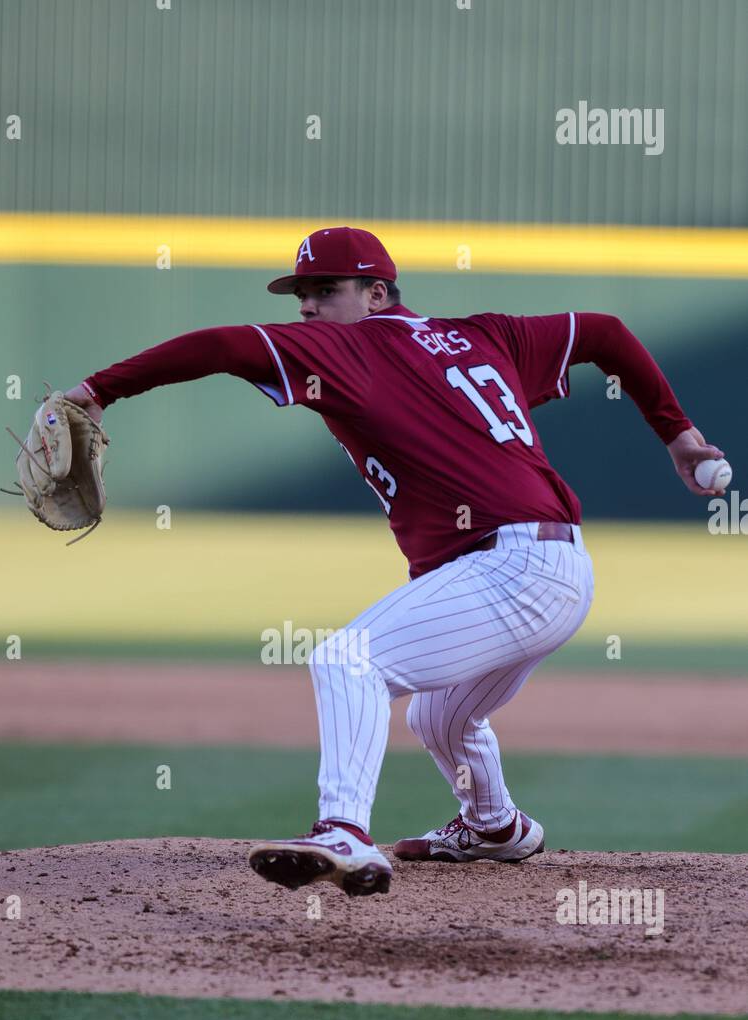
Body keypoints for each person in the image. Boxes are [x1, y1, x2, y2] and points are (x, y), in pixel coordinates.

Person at [66, 226, 725, 898]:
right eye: (302, 294)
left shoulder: (353, 347)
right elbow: (606, 332)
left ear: (377, 292)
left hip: (513, 568)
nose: (308, 307)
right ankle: (496, 827)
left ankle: (343, 831)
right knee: (436, 717)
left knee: (346, 659)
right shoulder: (486, 337)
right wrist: (679, 434)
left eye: (326, 290)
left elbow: (219, 347)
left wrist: (97, 390)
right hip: (553, 569)